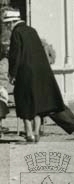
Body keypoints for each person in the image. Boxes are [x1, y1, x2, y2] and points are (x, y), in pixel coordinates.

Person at [3, 8, 65, 142]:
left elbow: (15, 55)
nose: (7, 26)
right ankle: (36, 132)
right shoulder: (32, 30)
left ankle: (29, 133)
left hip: (25, 72)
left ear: (12, 22)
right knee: (38, 102)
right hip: (41, 72)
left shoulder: (16, 32)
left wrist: (12, 74)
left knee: (24, 101)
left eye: (7, 23)